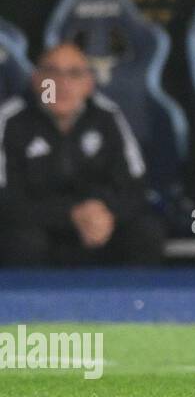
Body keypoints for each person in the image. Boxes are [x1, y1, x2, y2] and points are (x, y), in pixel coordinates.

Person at [0, 43, 164, 267]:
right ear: (37, 79)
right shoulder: (11, 122)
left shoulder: (107, 117)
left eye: (74, 74)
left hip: (98, 227)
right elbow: (6, 201)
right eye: (52, 73)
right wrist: (69, 215)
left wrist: (105, 213)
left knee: (146, 231)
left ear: (89, 83)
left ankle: (138, 302)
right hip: (40, 227)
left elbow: (135, 187)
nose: (62, 83)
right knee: (21, 240)